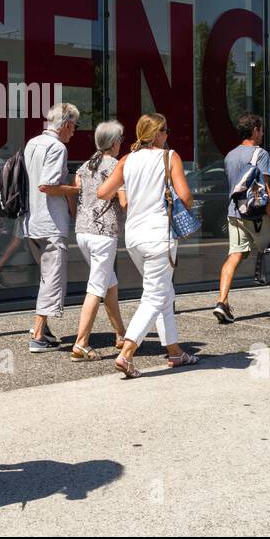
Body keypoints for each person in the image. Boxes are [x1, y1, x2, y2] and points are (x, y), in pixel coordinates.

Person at [97, 113, 200, 376]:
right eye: (165, 130)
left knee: (163, 291)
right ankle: (127, 353)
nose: (168, 134)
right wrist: (183, 205)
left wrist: (128, 190)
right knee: (154, 295)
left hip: (134, 238)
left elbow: (102, 192)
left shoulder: (127, 160)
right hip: (158, 236)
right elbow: (186, 196)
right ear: (156, 134)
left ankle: (175, 352)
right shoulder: (169, 156)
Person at [212, 113, 270, 323]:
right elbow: (264, 190)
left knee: (234, 255)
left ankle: (222, 302)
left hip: (234, 213)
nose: (262, 133)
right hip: (256, 216)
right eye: (260, 129)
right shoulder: (260, 154)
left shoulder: (230, 156)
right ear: (254, 130)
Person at [69, 120, 128, 360]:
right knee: (96, 288)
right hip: (103, 234)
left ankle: (121, 334)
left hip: (82, 231)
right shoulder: (116, 166)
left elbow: (77, 192)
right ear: (114, 143)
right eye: (120, 140)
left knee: (109, 285)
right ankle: (81, 343)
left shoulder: (84, 166)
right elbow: (123, 202)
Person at [23, 103, 80, 353]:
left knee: (46, 277)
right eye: (74, 127)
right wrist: (73, 190)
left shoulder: (32, 143)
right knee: (52, 279)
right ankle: (37, 335)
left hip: (32, 219)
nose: (74, 132)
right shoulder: (58, 147)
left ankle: (43, 330)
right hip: (51, 221)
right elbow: (47, 185)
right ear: (66, 124)